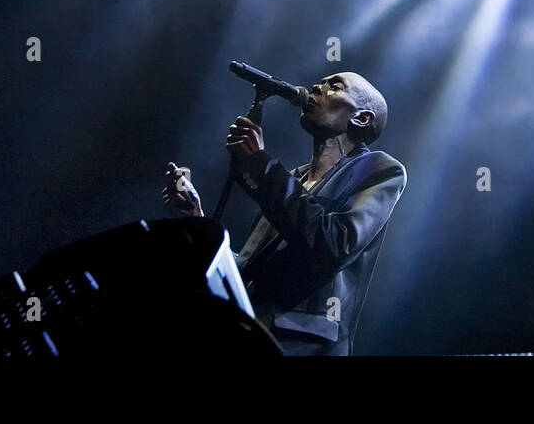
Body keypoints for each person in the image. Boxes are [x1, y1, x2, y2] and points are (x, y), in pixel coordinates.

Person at [164, 71, 406, 355]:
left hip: (299, 346)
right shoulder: (294, 179)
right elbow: (248, 268)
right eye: (322, 83)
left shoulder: (380, 170)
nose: (318, 86)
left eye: (335, 86)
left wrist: (262, 165)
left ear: (362, 118)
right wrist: (196, 217)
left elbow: (336, 243)